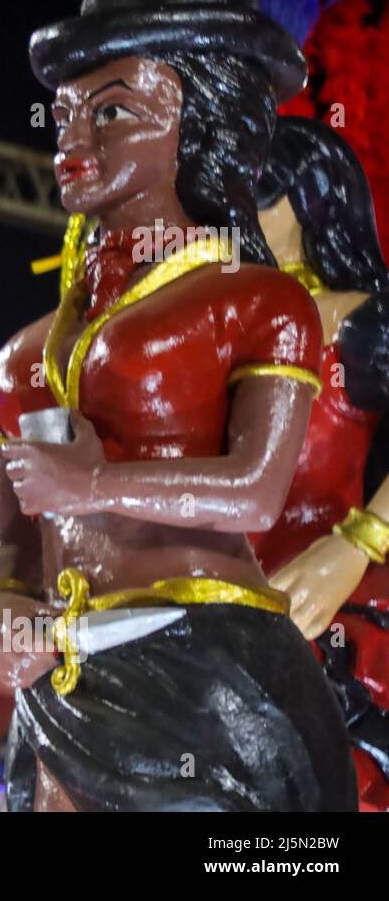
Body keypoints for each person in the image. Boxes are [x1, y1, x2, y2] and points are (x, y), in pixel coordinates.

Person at [0, 0, 356, 811]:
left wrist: (94, 483)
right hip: (61, 687)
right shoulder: (23, 355)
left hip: (216, 683)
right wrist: (2, 603)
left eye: (112, 111)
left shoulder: (259, 301)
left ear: (197, 123)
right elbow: (8, 533)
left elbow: (256, 493)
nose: (72, 142)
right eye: (64, 115)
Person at [252, 116, 389, 810]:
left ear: (309, 203)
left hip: (322, 597)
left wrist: (356, 545)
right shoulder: (208, 323)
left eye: (260, 193)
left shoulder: (359, 322)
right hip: (217, 596)